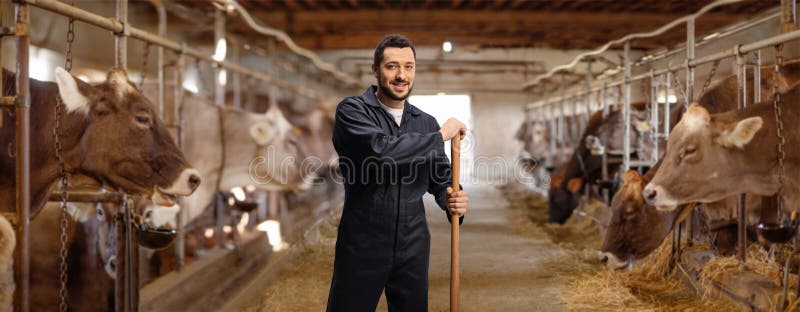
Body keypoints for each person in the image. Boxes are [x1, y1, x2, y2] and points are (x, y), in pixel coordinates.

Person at [327, 34, 469, 311]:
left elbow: (440, 178)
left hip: (413, 241)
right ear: (376, 70)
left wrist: (453, 197)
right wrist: (440, 135)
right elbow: (381, 152)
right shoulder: (353, 111)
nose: (401, 75)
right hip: (363, 241)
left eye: (409, 66)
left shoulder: (424, 122)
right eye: (392, 66)